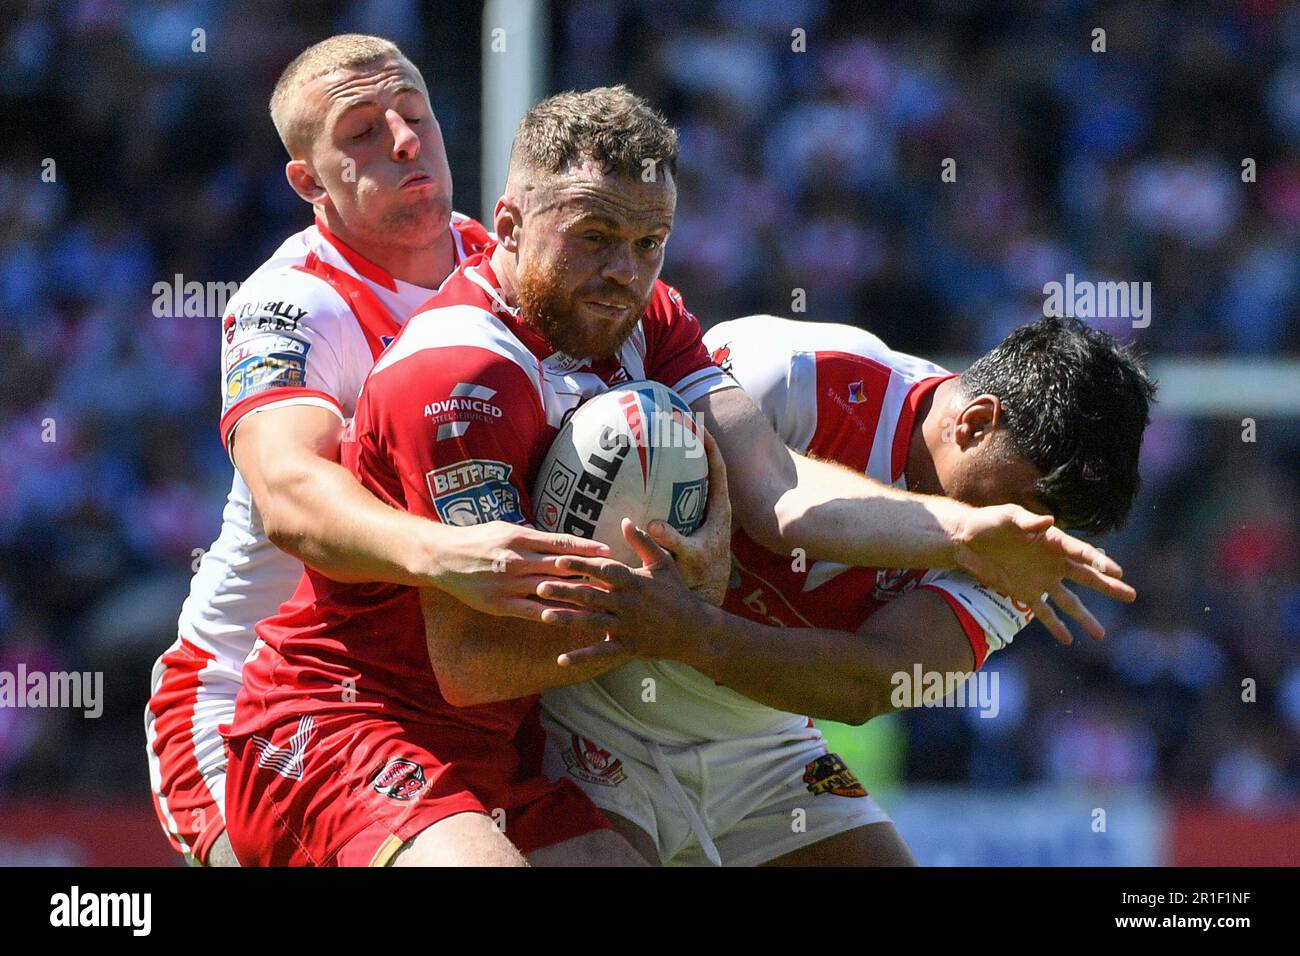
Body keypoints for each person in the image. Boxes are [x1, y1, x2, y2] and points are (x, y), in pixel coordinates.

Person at [224, 85, 1136, 866]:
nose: (625, 272)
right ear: (504, 224)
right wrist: (663, 624)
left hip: (686, 737)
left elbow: (781, 507)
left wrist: (963, 534)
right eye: (595, 237)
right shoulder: (462, 381)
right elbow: (470, 663)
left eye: (651, 241)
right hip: (373, 715)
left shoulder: (650, 319)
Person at [143, 34, 612, 867]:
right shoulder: (293, 305)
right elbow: (290, 495)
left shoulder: (503, 264)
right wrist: (445, 554)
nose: (402, 141)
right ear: (307, 181)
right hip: (268, 707)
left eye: (414, 116)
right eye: (361, 131)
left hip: (460, 697)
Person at [537, 313, 1155, 866]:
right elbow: (774, 501)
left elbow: (871, 683)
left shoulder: (1025, 550)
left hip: (765, 749)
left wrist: (694, 635)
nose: (1033, 533)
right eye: (1029, 504)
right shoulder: (791, 374)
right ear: (975, 423)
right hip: (601, 705)